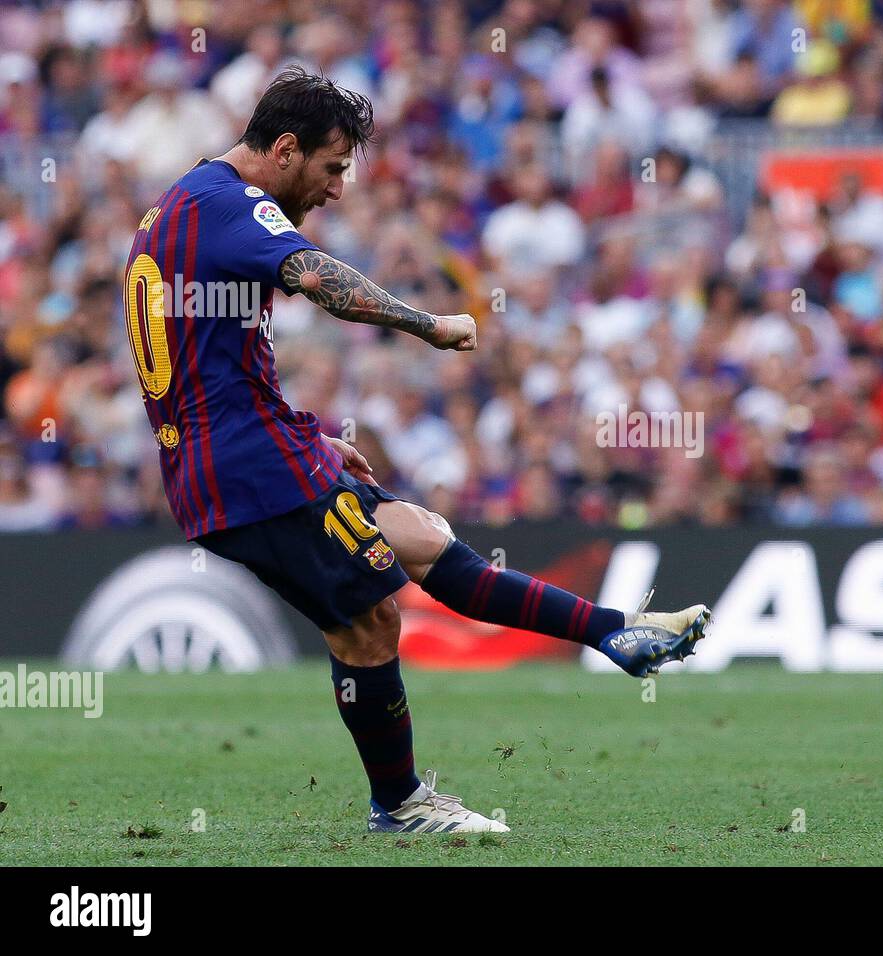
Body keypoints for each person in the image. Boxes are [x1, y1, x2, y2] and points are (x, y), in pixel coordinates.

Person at [122, 67, 710, 836]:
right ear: (286, 149)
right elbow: (319, 279)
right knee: (367, 620)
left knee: (423, 540)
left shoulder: (188, 202)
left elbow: (203, 354)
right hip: (245, 468)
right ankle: (399, 804)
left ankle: (614, 632)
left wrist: (313, 439)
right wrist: (429, 324)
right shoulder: (232, 203)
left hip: (255, 447)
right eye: (332, 169)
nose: (338, 190)